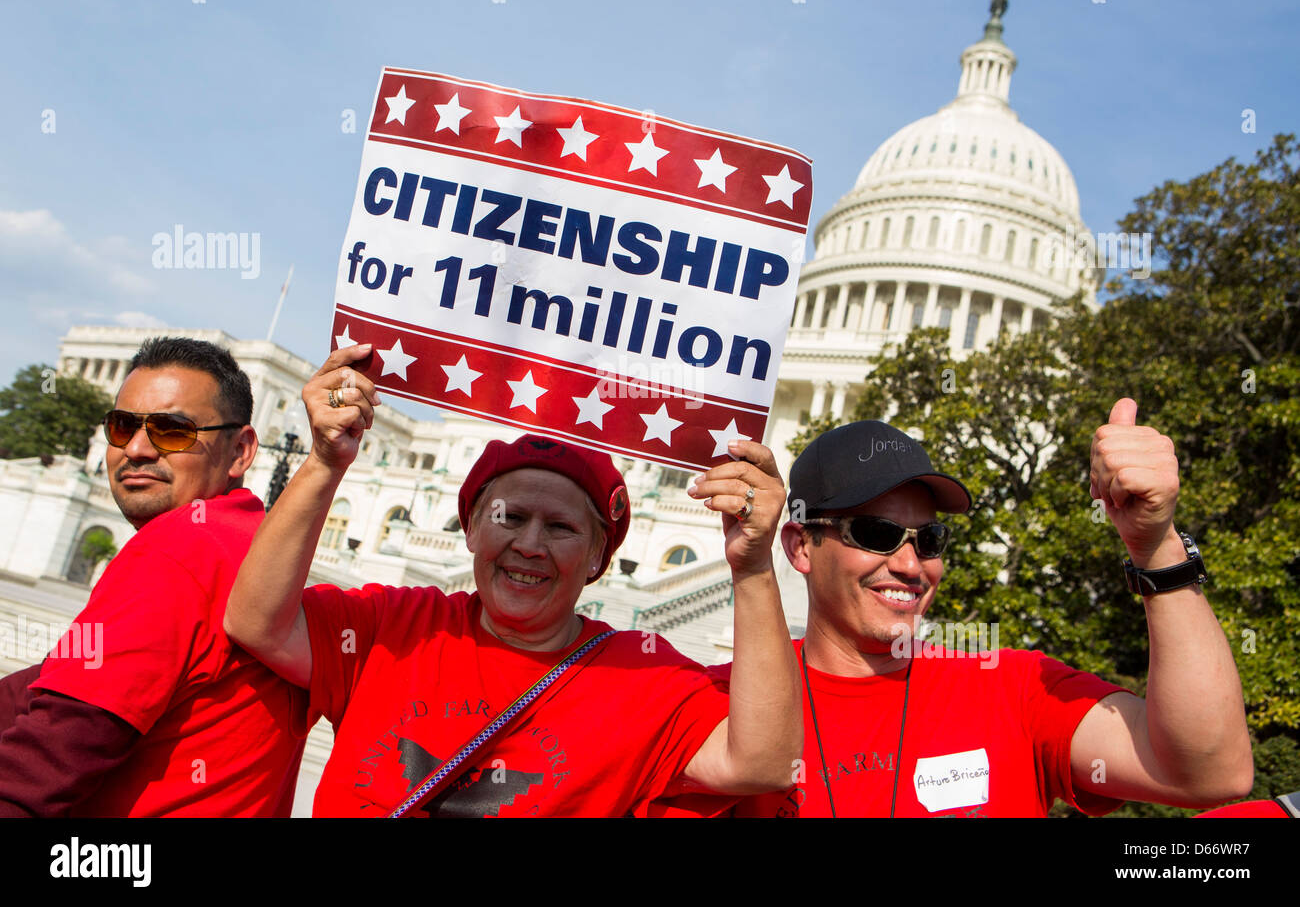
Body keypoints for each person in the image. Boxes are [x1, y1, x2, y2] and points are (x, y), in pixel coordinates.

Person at [224, 343, 802, 817]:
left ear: (600, 556)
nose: (528, 544)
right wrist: (324, 463)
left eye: (560, 527)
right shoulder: (393, 627)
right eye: (509, 517)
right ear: (471, 529)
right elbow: (256, 622)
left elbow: (761, 764)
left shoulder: (645, 676)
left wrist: (751, 570)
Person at [726, 401, 1254, 817]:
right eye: (877, 533)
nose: (913, 565)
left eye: (930, 539)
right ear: (799, 547)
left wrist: (1156, 546)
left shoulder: (1014, 688)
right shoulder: (728, 707)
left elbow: (1209, 774)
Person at [0, 337, 309, 817]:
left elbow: (55, 751)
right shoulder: (249, 544)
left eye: (172, 430)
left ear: (241, 450)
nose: (136, 449)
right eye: (122, 426)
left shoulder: (181, 548)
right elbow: (64, 683)